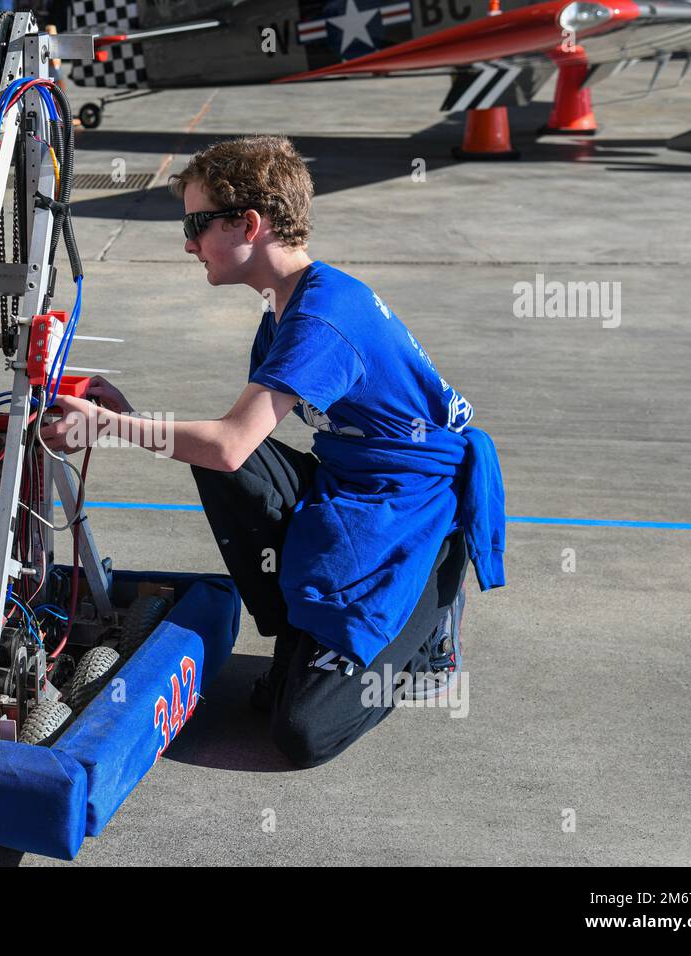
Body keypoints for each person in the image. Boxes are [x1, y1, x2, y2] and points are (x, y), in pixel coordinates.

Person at [42, 135, 506, 768]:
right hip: (356, 486)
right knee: (209, 459)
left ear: (249, 224)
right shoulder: (285, 304)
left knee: (301, 732)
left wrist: (107, 428)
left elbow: (233, 445)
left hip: (411, 514)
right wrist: (126, 415)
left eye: (195, 225)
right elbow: (232, 448)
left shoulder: (321, 320)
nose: (187, 243)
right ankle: (302, 633)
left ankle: (429, 625)